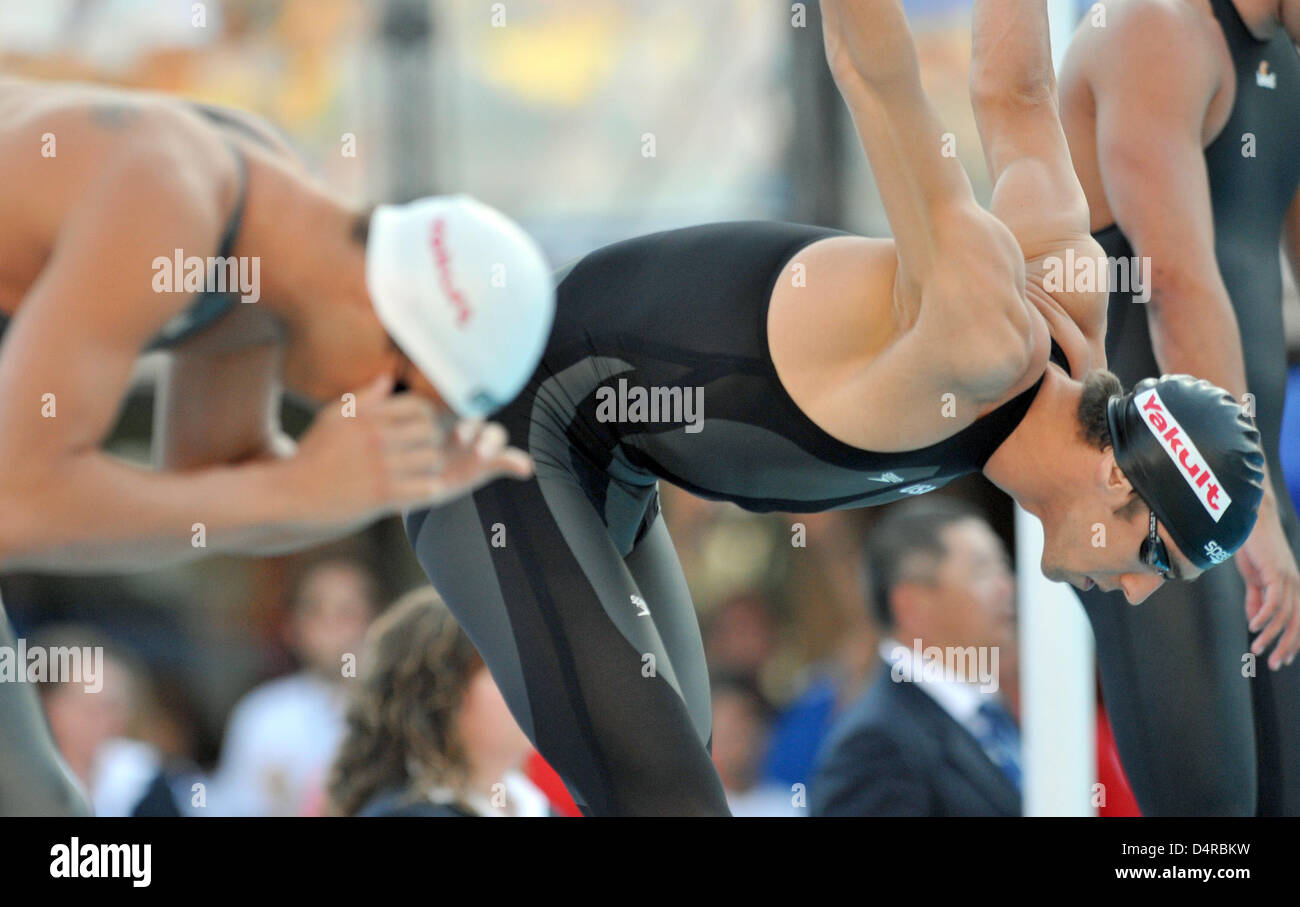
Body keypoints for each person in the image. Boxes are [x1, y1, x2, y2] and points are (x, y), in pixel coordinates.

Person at [405, 0, 1276, 816]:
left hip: (617, 462)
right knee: (665, 797)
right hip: (506, 423)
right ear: (1119, 477)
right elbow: (872, 64)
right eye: (1153, 559)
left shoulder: (1070, 283)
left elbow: (1015, 89)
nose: (1131, 591)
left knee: (672, 762)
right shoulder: (985, 332)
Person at [0, 78, 555, 815]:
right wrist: (300, 488)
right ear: (388, 334)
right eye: (395, 404)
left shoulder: (259, 233)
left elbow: (203, 502)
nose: (351, 415)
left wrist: (365, 491)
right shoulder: (168, 193)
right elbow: (17, 504)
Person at [1059, 0, 1300, 814]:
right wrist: (1254, 514)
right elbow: (1175, 284)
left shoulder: (1285, 60)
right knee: (1205, 822)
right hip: (1149, 490)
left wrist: (1260, 510)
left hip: (1246, 484)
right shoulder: (1155, 28)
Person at [811, 498, 1020, 817]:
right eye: (982, 571)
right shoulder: (874, 745)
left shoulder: (990, 714)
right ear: (912, 605)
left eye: (1004, 567)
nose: (1007, 588)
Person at [327, 586, 548, 818]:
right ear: (438, 696)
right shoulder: (403, 814)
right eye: (502, 672)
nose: (529, 687)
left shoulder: (533, 803)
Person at [214, 557, 379, 816]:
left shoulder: (404, 707)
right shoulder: (263, 714)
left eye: (347, 612)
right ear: (292, 628)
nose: (332, 627)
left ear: (377, 622)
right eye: (316, 612)